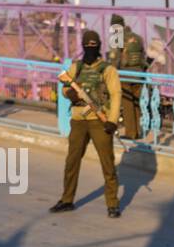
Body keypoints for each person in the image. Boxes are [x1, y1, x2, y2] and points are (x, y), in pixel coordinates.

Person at [52, 29, 123, 218]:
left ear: (99, 46)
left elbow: (116, 95)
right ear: (83, 46)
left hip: (100, 122)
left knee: (107, 164)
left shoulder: (108, 69)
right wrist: (70, 93)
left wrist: (112, 121)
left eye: (94, 45)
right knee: (71, 162)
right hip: (78, 120)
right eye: (87, 45)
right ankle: (67, 200)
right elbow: (65, 88)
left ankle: (112, 203)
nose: (90, 48)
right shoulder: (76, 68)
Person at [106, 13, 148, 139]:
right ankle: (137, 132)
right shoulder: (138, 38)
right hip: (139, 74)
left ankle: (130, 133)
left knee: (128, 104)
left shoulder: (117, 35)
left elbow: (114, 58)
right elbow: (143, 57)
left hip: (125, 74)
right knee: (136, 103)